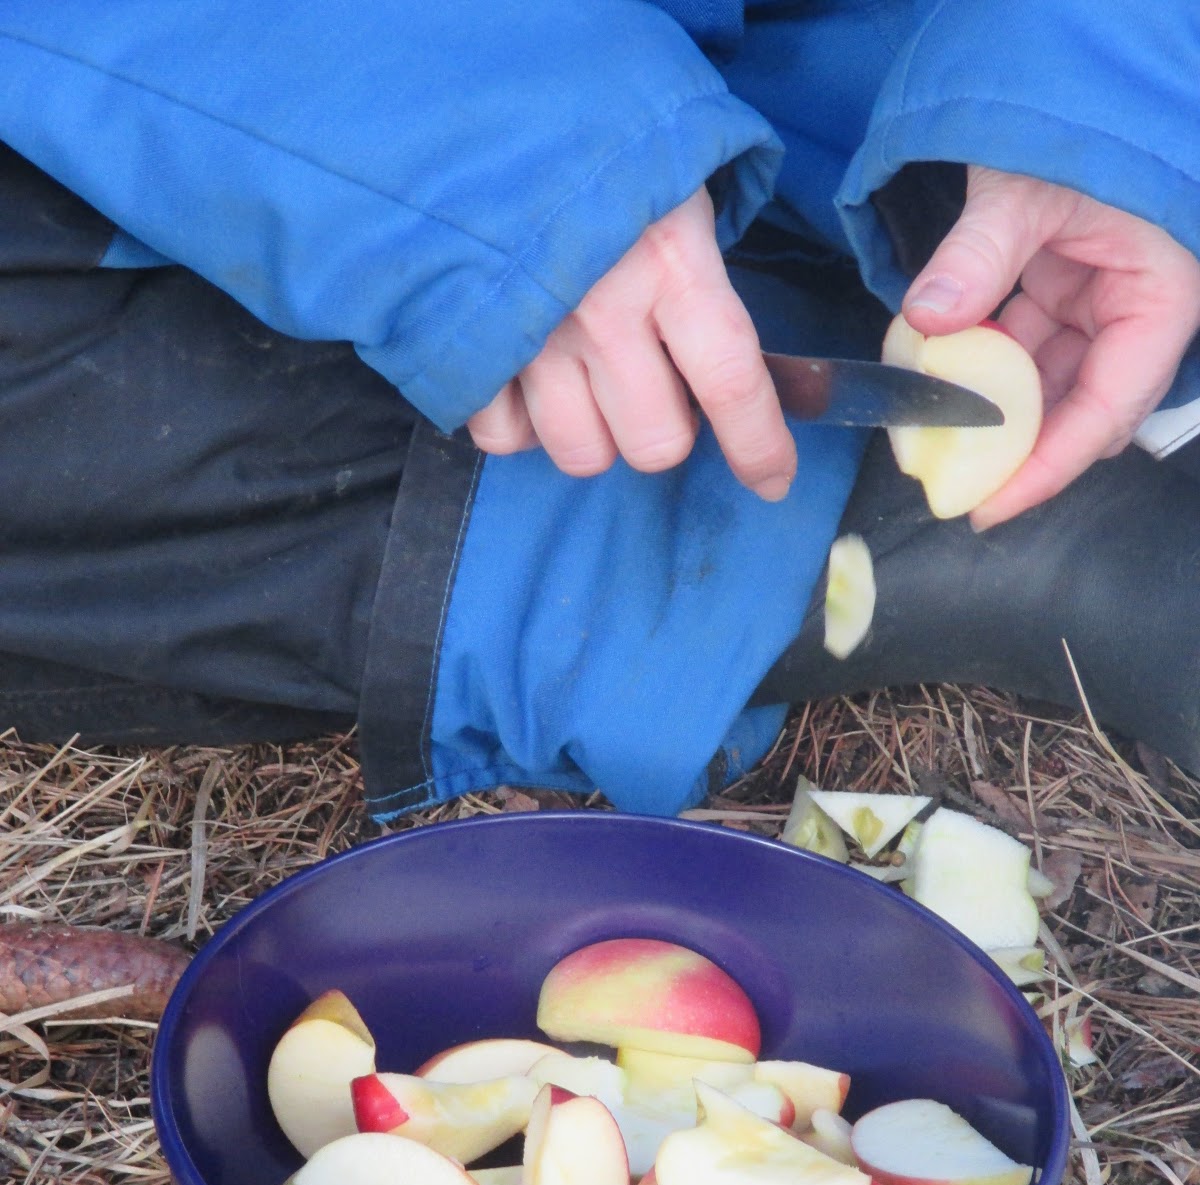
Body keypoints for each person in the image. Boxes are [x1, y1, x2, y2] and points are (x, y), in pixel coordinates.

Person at [0, 0, 1197, 823]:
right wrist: (495, 150)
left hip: (958, 140)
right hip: (319, 105)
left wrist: (1117, 95)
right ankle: (883, 538)